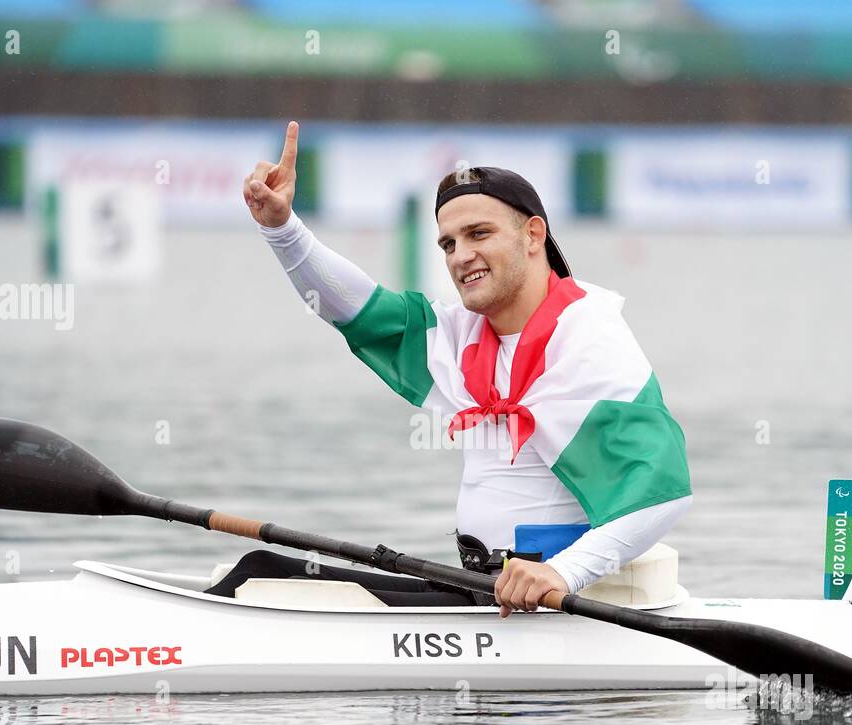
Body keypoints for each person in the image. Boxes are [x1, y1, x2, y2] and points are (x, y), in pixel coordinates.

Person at [215, 120, 691, 617]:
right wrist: (282, 228)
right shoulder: (462, 334)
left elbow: (663, 493)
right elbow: (358, 310)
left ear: (533, 235)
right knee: (261, 568)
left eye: (478, 234)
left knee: (259, 576)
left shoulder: (587, 339)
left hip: (556, 604)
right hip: (479, 588)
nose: (461, 256)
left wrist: (562, 573)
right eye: (448, 244)